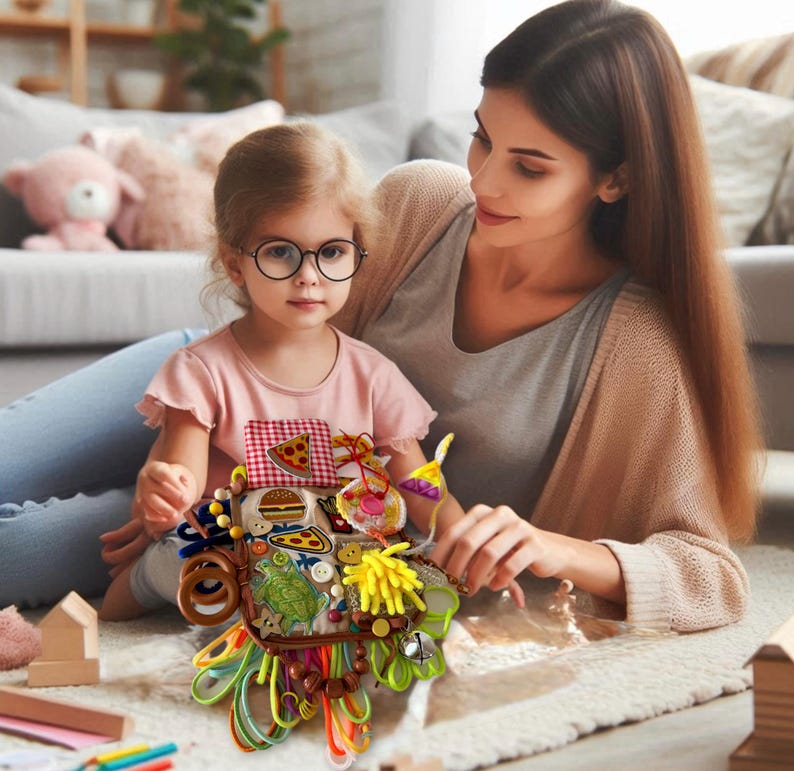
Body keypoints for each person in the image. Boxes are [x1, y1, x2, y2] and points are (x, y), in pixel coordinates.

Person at [0, 0, 760, 632]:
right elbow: (281, 318)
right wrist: (195, 459)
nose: (484, 180)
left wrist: (552, 547)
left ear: (616, 178)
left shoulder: (632, 341)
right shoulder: (422, 202)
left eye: (529, 166)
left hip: (268, 511)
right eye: (482, 137)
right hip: (210, 384)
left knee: (21, 546)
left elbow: (711, 574)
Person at [96, 121, 466, 620]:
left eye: (332, 252)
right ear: (234, 264)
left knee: (406, 581)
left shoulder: (374, 374)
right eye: (280, 253)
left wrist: (460, 538)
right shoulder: (202, 371)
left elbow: (419, 485)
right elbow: (183, 478)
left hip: (330, 556)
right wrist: (165, 491)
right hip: (232, 549)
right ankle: (145, 581)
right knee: (217, 569)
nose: (309, 276)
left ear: (357, 252)